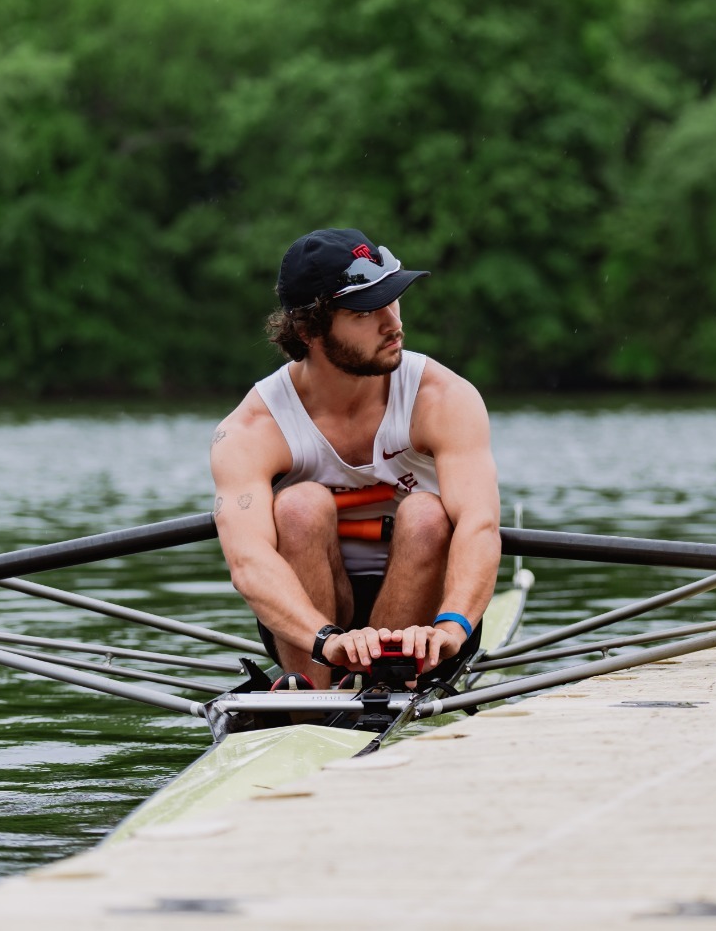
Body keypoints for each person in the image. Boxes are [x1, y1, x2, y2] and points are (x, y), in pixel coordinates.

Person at [210, 228, 502, 689]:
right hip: (310, 627)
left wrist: (455, 624)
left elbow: (479, 526)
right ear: (307, 330)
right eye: (365, 310)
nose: (392, 322)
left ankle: (386, 686)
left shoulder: (443, 398)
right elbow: (248, 562)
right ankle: (313, 694)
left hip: (429, 624)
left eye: (394, 298)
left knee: (429, 514)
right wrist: (324, 640)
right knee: (298, 506)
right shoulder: (252, 428)